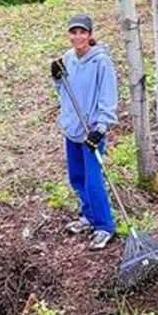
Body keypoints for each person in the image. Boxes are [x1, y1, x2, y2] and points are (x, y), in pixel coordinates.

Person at [51, 13, 118, 250]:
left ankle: (104, 226)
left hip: (91, 131)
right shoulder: (68, 58)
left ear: (90, 35)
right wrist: (56, 77)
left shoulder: (101, 61)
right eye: (73, 32)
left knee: (93, 181)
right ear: (69, 34)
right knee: (76, 177)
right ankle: (88, 216)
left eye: (82, 32)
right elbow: (63, 91)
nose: (77, 36)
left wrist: (101, 128)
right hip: (72, 128)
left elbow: (108, 96)